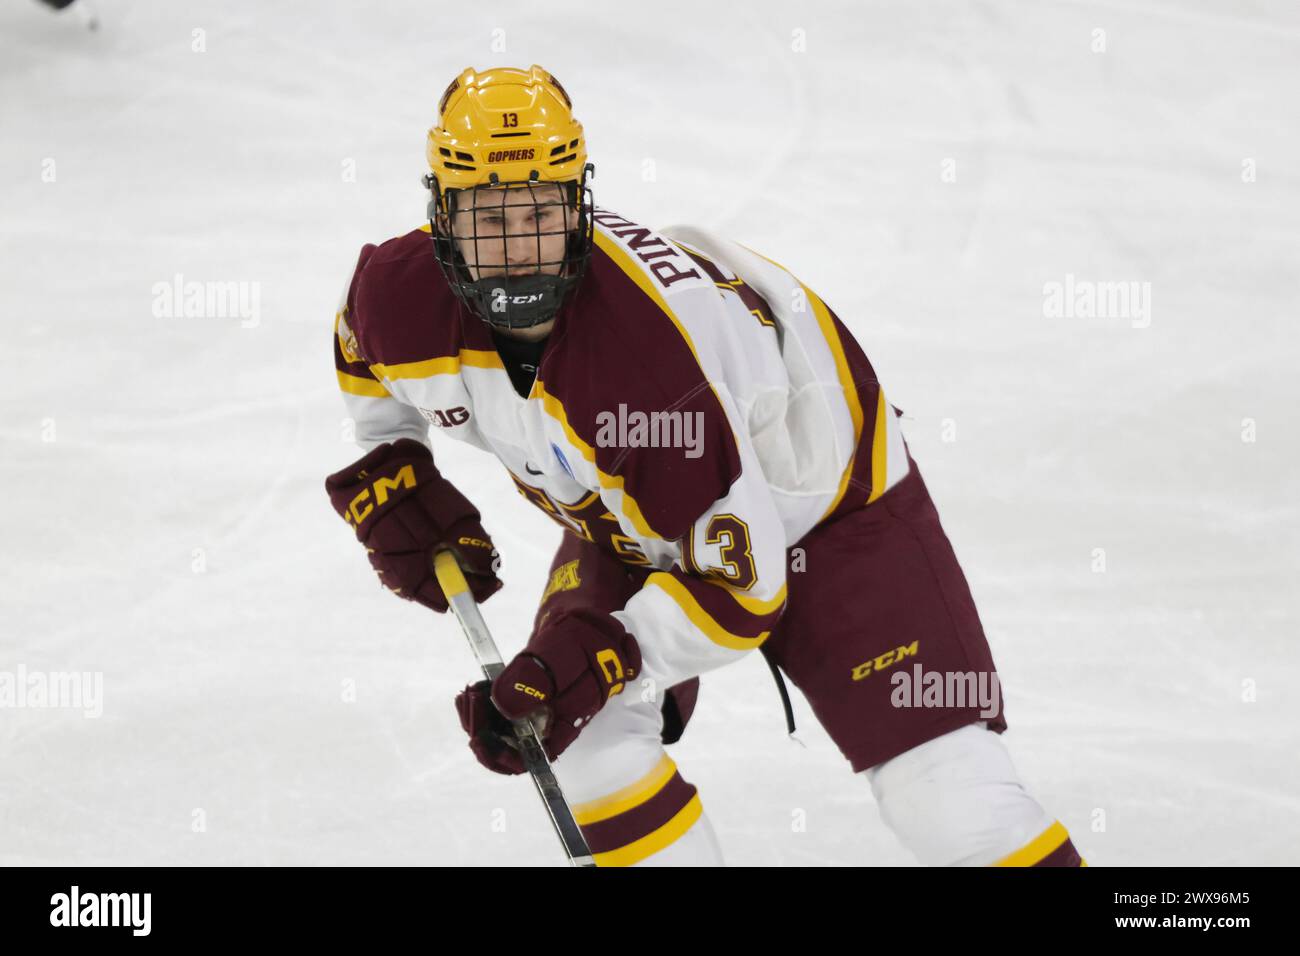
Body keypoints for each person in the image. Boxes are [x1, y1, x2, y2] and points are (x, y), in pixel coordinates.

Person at [325, 64, 1085, 867]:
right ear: (442, 217)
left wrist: (607, 653)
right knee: (578, 740)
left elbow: (743, 587)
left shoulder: (644, 377)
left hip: (831, 505)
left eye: (541, 211)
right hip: (636, 510)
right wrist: (392, 462)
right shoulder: (397, 294)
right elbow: (359, 351)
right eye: (488, 217)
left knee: (949, 803)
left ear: (578, 203)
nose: (518, 251)